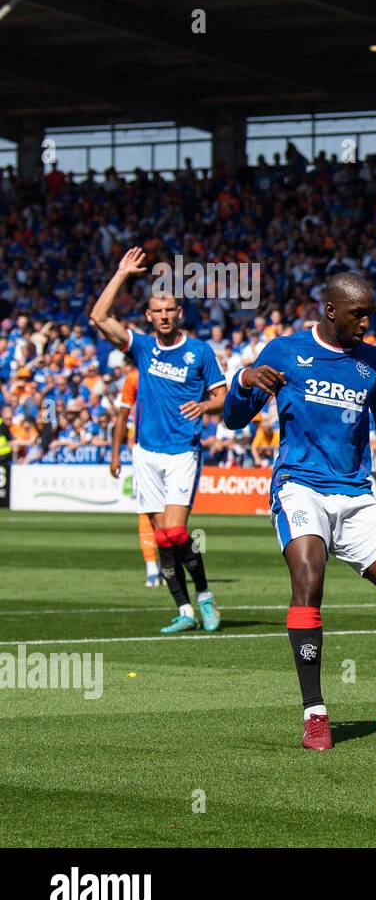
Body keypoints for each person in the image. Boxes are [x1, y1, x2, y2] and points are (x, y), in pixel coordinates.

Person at [222, 272, 376, 749]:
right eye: (359, 314)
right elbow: (234, 419)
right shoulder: (283, 351)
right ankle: (315, 713)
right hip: (300, 487)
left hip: (355, 494)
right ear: (331, 310)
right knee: (309, 576)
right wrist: (243, 380)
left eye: (371, 314)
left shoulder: (375, 362)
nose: (367, 322)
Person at [90, 248, 227, 633]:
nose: (165, 315)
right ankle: (185, 612)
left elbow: (223, 397)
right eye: (158, 311)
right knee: (162, 538)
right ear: (149, 316)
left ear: (178, 313)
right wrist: (121, 274)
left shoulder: (200, 351)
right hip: (146, 453)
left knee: (175, 532)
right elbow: (98, 317)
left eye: (171, 310)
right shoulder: (142, 347)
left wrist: (206, 407)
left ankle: (204, 596)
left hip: (182, 451)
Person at [108, 367, 160, 587]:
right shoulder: (134, 377)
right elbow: (123, 415)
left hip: (178, 449)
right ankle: (152, 568)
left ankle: (168, 566)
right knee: (146, 509)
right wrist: (116, 454)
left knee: (172, 514)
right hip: (144, 449)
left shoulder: (178, 368)